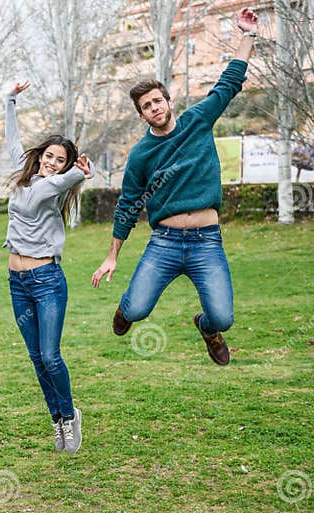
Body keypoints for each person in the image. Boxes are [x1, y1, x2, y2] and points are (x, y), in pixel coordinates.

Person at [92, 8, 260, 366]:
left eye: (157, 100)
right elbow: (128, 205)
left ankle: (207, 328)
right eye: (146, 106)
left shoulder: (197, 120)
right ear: (141, 115)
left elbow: (229, 82)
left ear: (169, 102)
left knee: (224, 317)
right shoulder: (141, 155)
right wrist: (112, 256)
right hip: (164, 243)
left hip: (207, 242)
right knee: (136, 309)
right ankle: (127, 309)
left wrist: (248, 36)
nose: (154, 108)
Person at [4, 81, 93, 454]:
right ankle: (57, 419)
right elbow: (12, 142)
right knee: (35, 358)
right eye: (49, 156)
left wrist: (79, 170)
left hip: (46, 280)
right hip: (17, 280)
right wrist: (9, 101)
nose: (51, 162)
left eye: (60, 159)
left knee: (51, 355)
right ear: (41, 155)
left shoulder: (56, 185)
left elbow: (75, 176)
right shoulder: (25, 180)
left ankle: (70, 415)